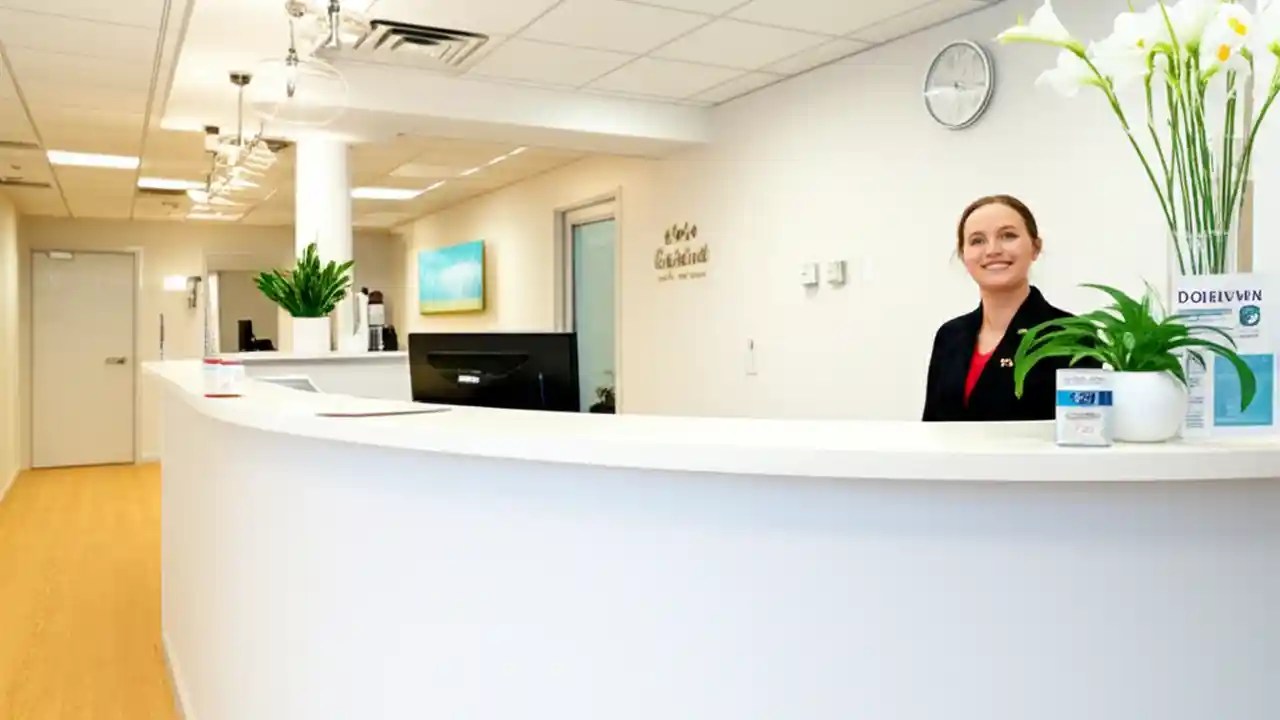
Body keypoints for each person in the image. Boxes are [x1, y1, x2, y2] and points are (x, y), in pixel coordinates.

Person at [922, 195, 1095, 422]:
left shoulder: (1069, 335)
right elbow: (932, 430)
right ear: (963, 255)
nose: (992, 250)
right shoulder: (950, 335)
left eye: (1008, 236)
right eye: (977, 241)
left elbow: (1082, 432)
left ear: (1035, 247)